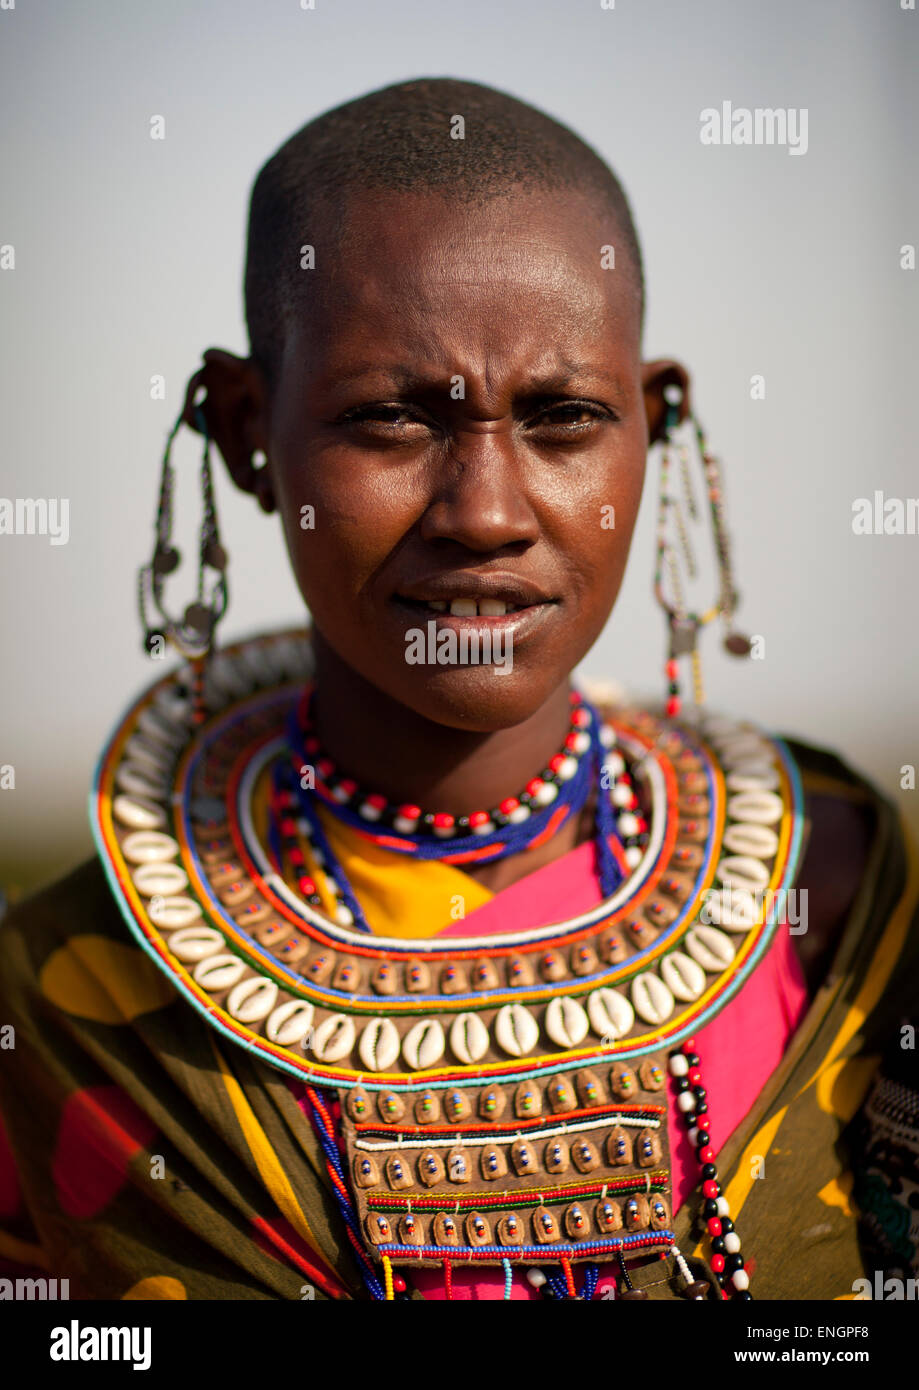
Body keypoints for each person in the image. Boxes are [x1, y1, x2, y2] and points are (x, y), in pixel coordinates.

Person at [1, 77, 917, 1304]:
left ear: (652, 425)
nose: (487, 511)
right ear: (245, 434)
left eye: (564, 417)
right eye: (389, 417)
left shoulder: (843, 896)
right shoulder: (74, 988)